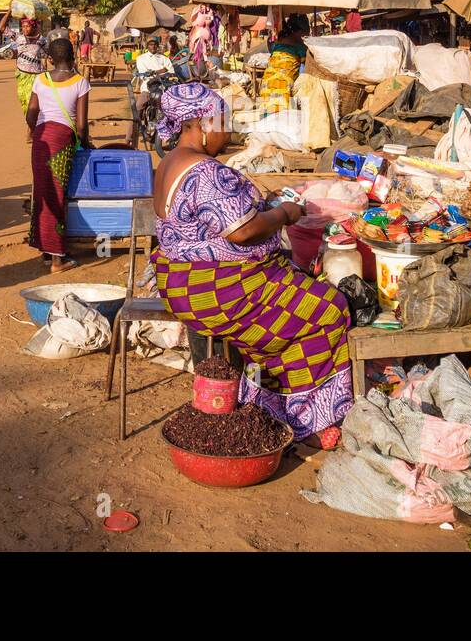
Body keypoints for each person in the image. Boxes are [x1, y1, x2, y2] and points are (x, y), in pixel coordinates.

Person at [151, 83, 352, 446]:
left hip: (183, 284)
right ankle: (307, 417)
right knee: (329, 308)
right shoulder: (204, 171)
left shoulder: (169, 162)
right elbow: (242, 232)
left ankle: (268, 405)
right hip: (219, 290)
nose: (228, 132)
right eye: (223, 122)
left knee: (283, 318)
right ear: (204, 123)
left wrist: (262, 207)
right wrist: (285, 213)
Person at [25, 38, 91, 274]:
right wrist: (85, 144)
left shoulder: (40, 79)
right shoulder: (80, 82)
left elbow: (31, 115)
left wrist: (38, 129)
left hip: (41, 141)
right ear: (73, 56)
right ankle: (56, 261)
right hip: (62, 142)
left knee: (43, 194)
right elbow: (81, 125)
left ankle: (46, 250)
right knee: (58, 197)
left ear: (50, 59)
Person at [0, 11, 45, 128]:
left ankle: (32, 126)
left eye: (28, 26)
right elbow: (1, 27)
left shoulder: (41, 40)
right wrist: (9, 12)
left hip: (37, 77)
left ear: (33, 26)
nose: (25, 29)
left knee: (34, 103)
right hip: (22, 76)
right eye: (23, 26)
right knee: (24, 101)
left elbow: (48, 54)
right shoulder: (18, 38)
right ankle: (31, 123)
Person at [259, 13, 309, 112]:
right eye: (303, 34)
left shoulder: (278, 43)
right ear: (298, 31)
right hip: (283, 87)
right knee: (283, 116)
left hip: (267, 83)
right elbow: (306, 69)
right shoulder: (301, 47)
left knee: (268, 114)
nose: (304, 36)